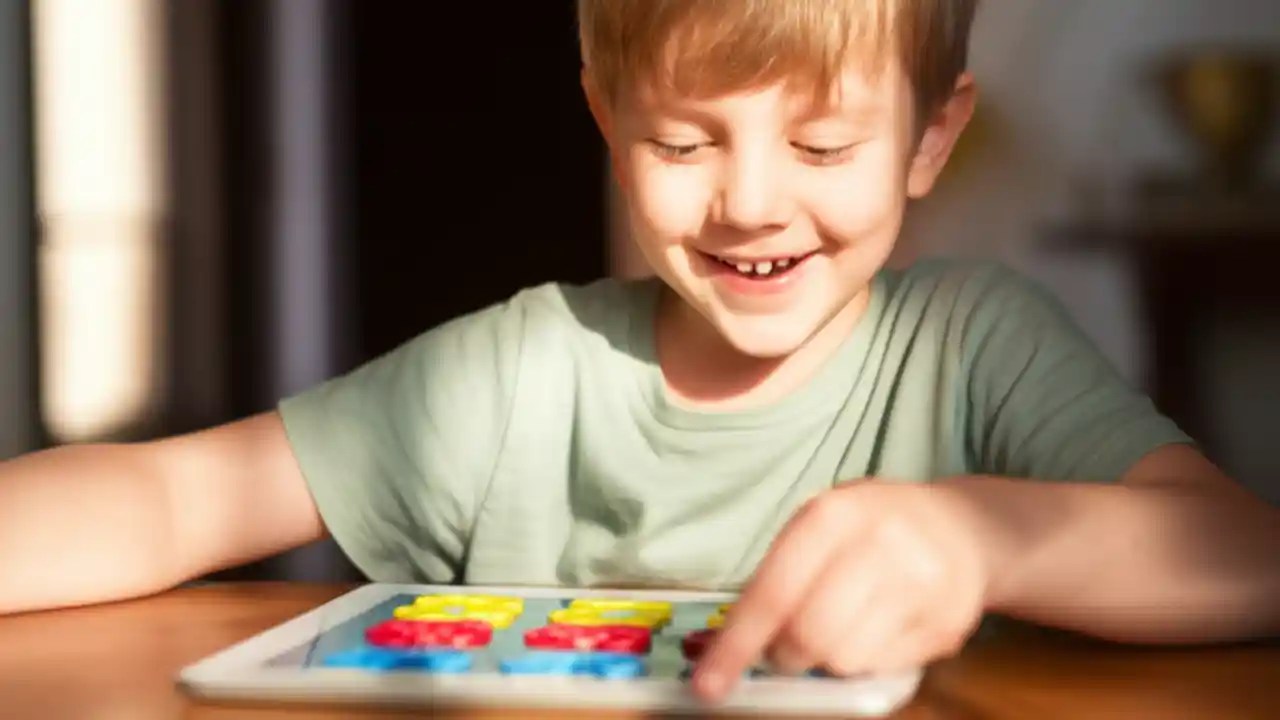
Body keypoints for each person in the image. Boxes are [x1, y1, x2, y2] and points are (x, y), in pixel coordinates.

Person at [1, 0, 1277, 704]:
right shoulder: (512, 379)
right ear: (608, 125)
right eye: (682, 143)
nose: (750, 204)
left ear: (928, 140)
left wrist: (984, 536)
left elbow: (1242, 554)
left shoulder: (972, 345)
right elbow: (174, 494)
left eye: (824, 147)